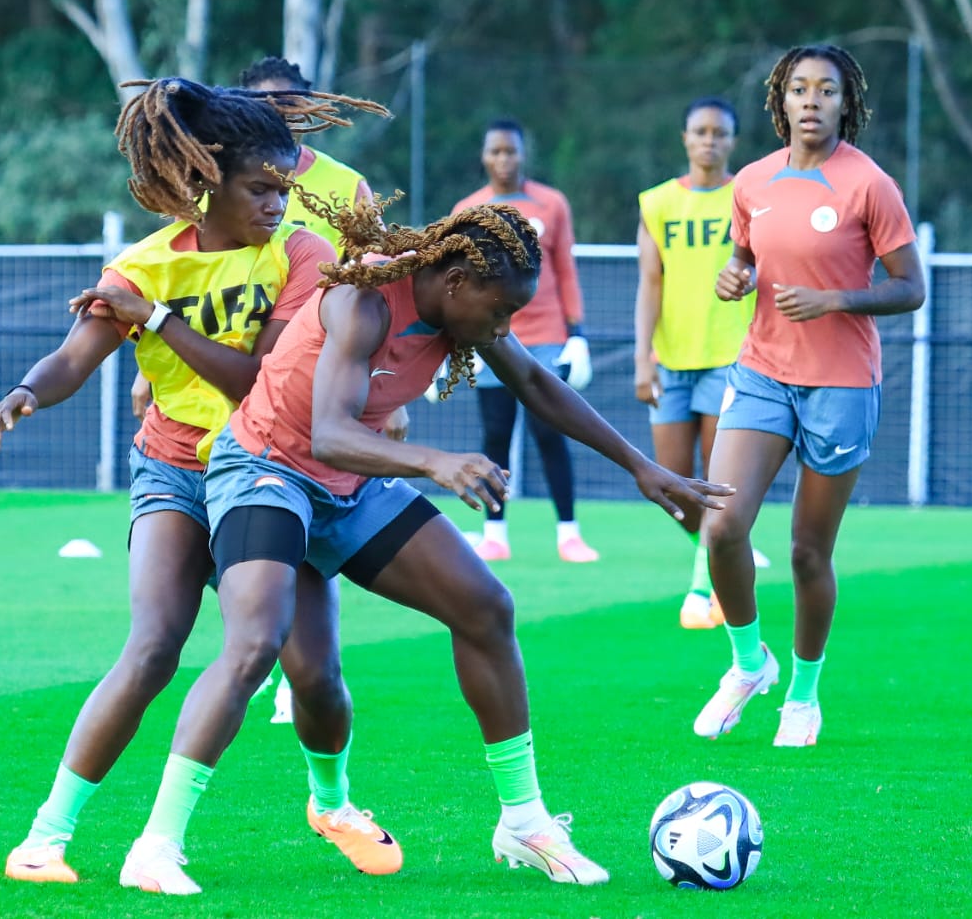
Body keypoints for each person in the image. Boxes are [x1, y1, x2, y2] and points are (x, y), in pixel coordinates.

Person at [170, 193, 735, 889]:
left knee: (484, 606)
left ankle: (524, 822)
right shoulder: (368, 298)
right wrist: (436, 462)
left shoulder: (466, 305)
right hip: (265, 471)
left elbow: (533, 381)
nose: (505, 326)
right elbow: (329, 433)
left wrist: (642, 467)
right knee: (262, 647)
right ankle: (159, 844)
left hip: (346, 485)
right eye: (500, 312)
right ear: (456, 283)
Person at [0, 77, 404, 894]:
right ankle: (44, 837)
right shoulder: (141, 267)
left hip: (274, 473)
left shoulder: (301, 255)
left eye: (286, 190)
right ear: (206, 181)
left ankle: (332, 804)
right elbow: (75, 355)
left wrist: (155, 323)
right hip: (176, 473)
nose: (280, 205)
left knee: (315, 671)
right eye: (262, 189)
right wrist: (31, 390)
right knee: (151, 649)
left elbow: (257, 382)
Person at [129, 56, 407, 725]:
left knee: (312, 652)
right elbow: (190, 277)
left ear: (307, 105)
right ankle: (255, 663)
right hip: (212, 426)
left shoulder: (345, 188)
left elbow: (373, 293)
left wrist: (386, 396)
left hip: (305, 417)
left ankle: (291, 687)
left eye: (289, 102)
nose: (278, 111)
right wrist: (151, 363)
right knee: (175, 633)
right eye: (263, 104)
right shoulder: (217, 190)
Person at [691, 43, 925, 749]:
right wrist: (733, 277)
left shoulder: (869, 185)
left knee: (805, 554)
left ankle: (802, 693)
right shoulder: (753, 182)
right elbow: (743, 258)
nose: (813, 100)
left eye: (827, 90)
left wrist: (835, 300)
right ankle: (747, 664)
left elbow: (911, 287)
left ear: (846, 103)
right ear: (781, 102)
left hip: (842, 386)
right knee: (722, 527)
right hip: (762, 372)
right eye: (800, 89)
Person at [634, 98, 767, 631]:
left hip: (730, 358)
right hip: (672, 360)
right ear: (684, 137)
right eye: (700, 131)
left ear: (733, 140)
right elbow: (650, 282)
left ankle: (702, 585)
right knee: (672, 486)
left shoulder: (748, 198)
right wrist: (644, 357)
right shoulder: (658, 202)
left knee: (716, 482)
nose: (709, 140)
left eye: (720, 132)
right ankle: (721, 550)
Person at [446, 119, 597, 563]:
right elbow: (456, 282)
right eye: (495, 152)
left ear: (522, 154)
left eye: (511, 151)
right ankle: (494, 532)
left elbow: (566, 270)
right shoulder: (468, 209)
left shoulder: (551, 204)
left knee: (549, 430)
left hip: (545, 338)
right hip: (490, 339)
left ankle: (568, 533)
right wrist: (456, 340)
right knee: (496, 432)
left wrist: (578, 335)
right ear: (484, 156)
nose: (504, 160)